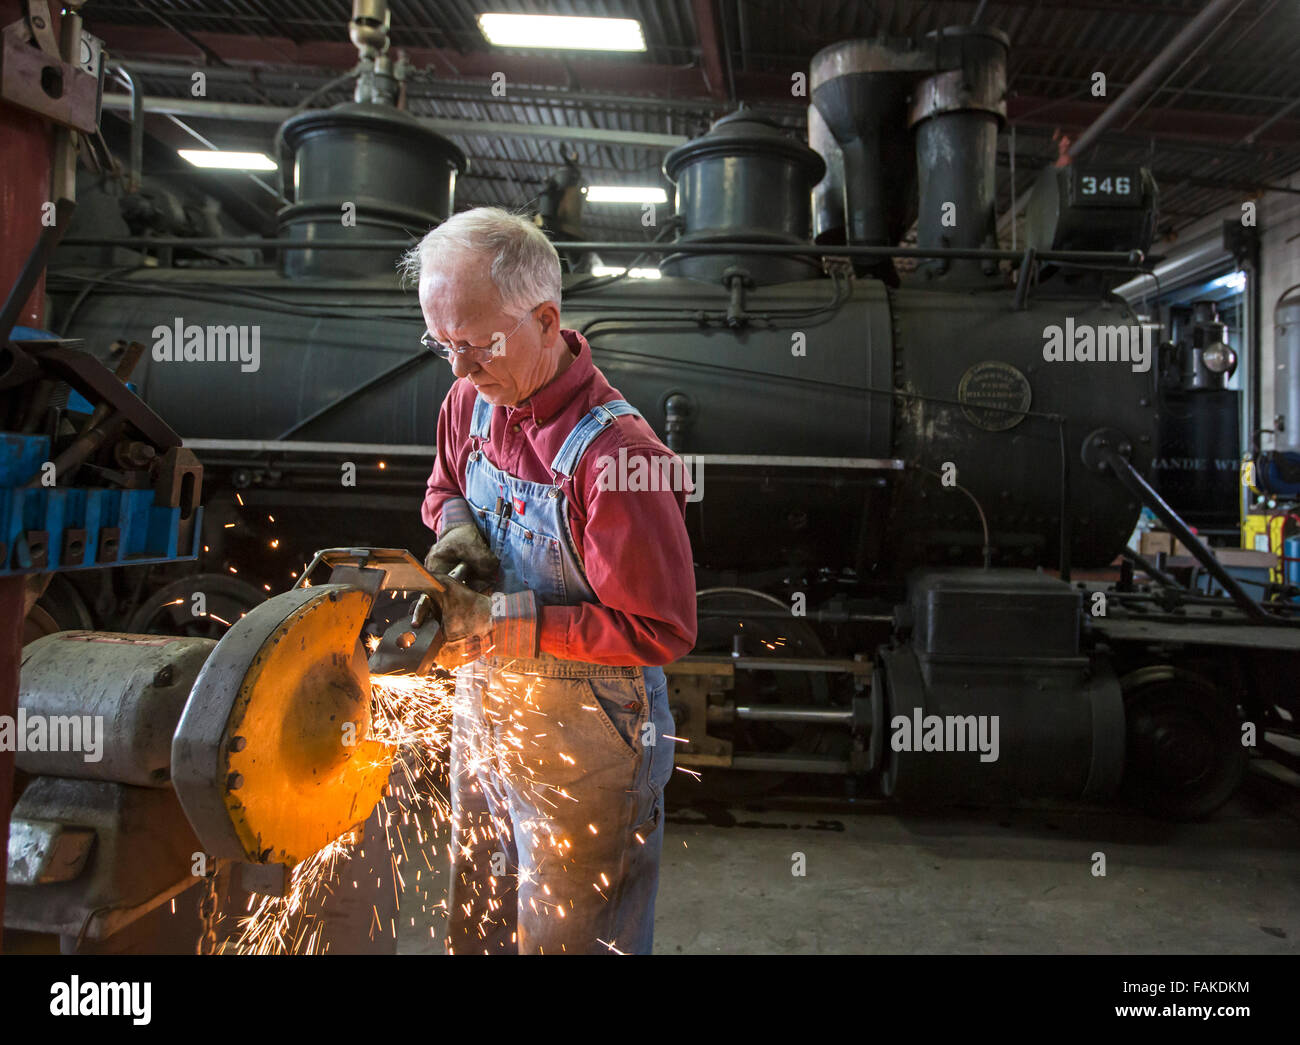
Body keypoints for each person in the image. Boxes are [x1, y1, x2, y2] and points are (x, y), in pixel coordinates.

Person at [402, 207, 697, 955]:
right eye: (443, 347)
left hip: (589, 731)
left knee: (566, 942)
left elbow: (662, 630)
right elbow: (443, 487)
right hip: (485, 710)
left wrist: (507, 624)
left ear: (545, 319)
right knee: (479, 922)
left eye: (475, 345)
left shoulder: (618, 459)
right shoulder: (470, 399)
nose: (461, 368)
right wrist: (457, 528)